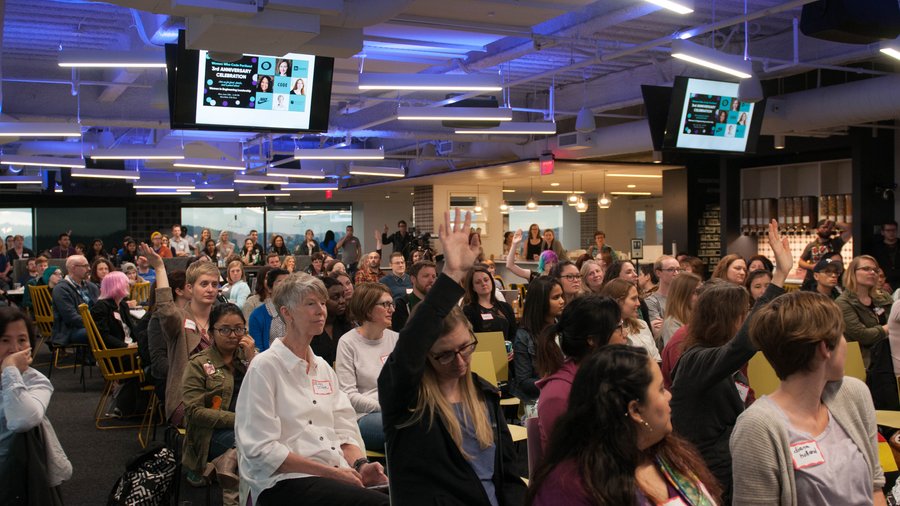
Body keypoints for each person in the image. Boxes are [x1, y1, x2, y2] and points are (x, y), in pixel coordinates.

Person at [378, 209, 526, 506]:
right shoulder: (407, 402)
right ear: (424, 354)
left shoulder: (484, 393)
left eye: (465, 348)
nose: (460, 362)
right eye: (444, 355)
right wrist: (452, 275)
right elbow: (410, 344)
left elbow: (507, 475)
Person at [235, 272, 389, 506]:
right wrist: (332, 473)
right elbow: (261, 450)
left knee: (410, 494)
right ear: (286, 313)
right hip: (283, 480)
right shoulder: (265, 367)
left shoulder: (323, 369)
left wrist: (361, 466)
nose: (321, 310)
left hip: (333, 473)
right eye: (310, 303)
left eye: (321, 302)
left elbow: (344, 426)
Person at [669, 219, 792, 501]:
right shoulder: (695, 361)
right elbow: (744, 343)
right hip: (708, 470)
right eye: (744, 312)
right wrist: (780, 276)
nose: (747, 318)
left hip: (727, 462)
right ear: (725, 318)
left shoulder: (713, 356)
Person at [731, 291, 886, 505]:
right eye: (842, 334)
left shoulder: (853, 394)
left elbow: (875, 487)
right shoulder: (757, 427)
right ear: (825, 348)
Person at [528, 345, 721, 506]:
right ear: (635, 410)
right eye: (661, 389)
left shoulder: (665, 452)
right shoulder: (569, 487)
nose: (669, 395)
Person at [0, 307, 71, 505]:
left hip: (12, 481)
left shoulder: (36, 381)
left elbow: (22, 420)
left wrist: (10, 371)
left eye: (22, 340)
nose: (14, 349)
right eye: (5, 340)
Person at [143, 243, 220, 426]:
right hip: (187, 400)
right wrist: (160, 268)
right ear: (190, 288)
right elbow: (166, 310)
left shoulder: (221, 318)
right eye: (204, 284)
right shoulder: (178, 319)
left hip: (221, 395)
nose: (210, 289)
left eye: (214, 284)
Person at [182, 303, 257, 490]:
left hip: (251, 427)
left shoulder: (251, 358)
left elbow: (269, 393)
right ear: (211, 333)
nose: (233, 335)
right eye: (225, 330)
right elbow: (194, 412)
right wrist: (239, 420)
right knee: (254, 449)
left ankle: (229, 464)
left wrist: (252, 361)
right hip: (211, 433)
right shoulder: (198, 364)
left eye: (239, 329)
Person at [534, 295, 623, 450]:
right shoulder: (558, 395)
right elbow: (568, 461)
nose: (625, 334)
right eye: (619, 327)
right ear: (592, 340)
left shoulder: (608, 372)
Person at [335, 283, 399, 452]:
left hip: (398, 410)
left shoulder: (397, 339)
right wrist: (384, 406)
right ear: (368, 309)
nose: (391, 309)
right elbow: (348, 395)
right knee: (403, 431)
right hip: (364, 416)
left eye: (392, 304)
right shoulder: (348, 342)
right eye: (385, 304)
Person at [511, 276, 564, 406]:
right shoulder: (524, 336)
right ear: (541, 302)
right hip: (540, 401)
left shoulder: (565, 328)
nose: (562, 301)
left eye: (561, 296)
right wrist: (551, 381)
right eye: (556, 298)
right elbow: (523, 382)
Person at [836, 255, 892, 367]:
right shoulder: (843, 302)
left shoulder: (883, 297)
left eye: (875, 270)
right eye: (866, 269)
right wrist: (889, 327)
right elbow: (863, 336)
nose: (872, 272)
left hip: (889, 355)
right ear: (853, 272)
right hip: (864, 362)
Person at [601, 278, 661, 361]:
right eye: (633, 299)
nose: (638, 303)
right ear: (618, 302)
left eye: (638, 298)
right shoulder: (610, 333)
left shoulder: (642, 325)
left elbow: (656, 358)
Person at [51, 255, 99, 346]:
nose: (89, 269)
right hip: (70, 331)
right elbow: (71, 318)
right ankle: (100, 359)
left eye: (88, 265)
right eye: (85, 266)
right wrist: (95, 324)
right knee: (101, 332)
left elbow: (100, 308)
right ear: (73, 268)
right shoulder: (61, 289)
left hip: (92, 325)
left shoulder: (91, 286)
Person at [462, 265, 517, 343]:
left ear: (491, 281)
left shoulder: (506, 307)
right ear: (473, 287)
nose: (483, 284)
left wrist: (511, 350)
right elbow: (469, 339)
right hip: (482, 352)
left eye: (486, 280)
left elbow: (513, 335)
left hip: (506, 352)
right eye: (478, 282)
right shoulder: (468, 310)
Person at [311, 277, 354, 367]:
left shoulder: (347, 325)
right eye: (335, 297)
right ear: (321, 301)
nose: (342, 301)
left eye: (343, 296)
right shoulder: (310, 329)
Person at [799, 219, 851, 289]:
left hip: (831, 280)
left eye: (828, 228)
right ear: (817, 230)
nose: (826, 230)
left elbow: (850, 230)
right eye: (824, 227)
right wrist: (811, 266)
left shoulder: (836, 242)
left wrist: (834, 223)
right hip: (812, 280)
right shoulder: (811, 245)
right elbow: (801, 262)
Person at [248, 269, 291, 353]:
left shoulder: (297, 312)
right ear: (270, 288)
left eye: (289, 283)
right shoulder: (257, 316)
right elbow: (257, 350)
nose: (286, 286)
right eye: (280, 282)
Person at [390, 260, 437, 332]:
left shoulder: (440, 303)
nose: (431, 280)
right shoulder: (403, 304)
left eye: (434, 277)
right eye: (426, 276)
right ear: (413, 279)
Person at [659, 272, 701, 347]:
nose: (701, 296)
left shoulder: (698, 318)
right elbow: (677, 355)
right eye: (696, 292)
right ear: (683, 295)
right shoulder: (672, 324)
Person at [646, 255, 681, 321]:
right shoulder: (652, 301)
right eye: (671, 269)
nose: (676, 273)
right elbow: (658, 330)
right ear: (658, 273)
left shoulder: (684, 297)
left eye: (678, 269)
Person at [874, 220, 900, 289]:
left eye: (893, 230)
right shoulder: (876, 247)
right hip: (883, 283)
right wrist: (881, 283)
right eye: (888, 230)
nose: (891, 233)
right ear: (883, 232)